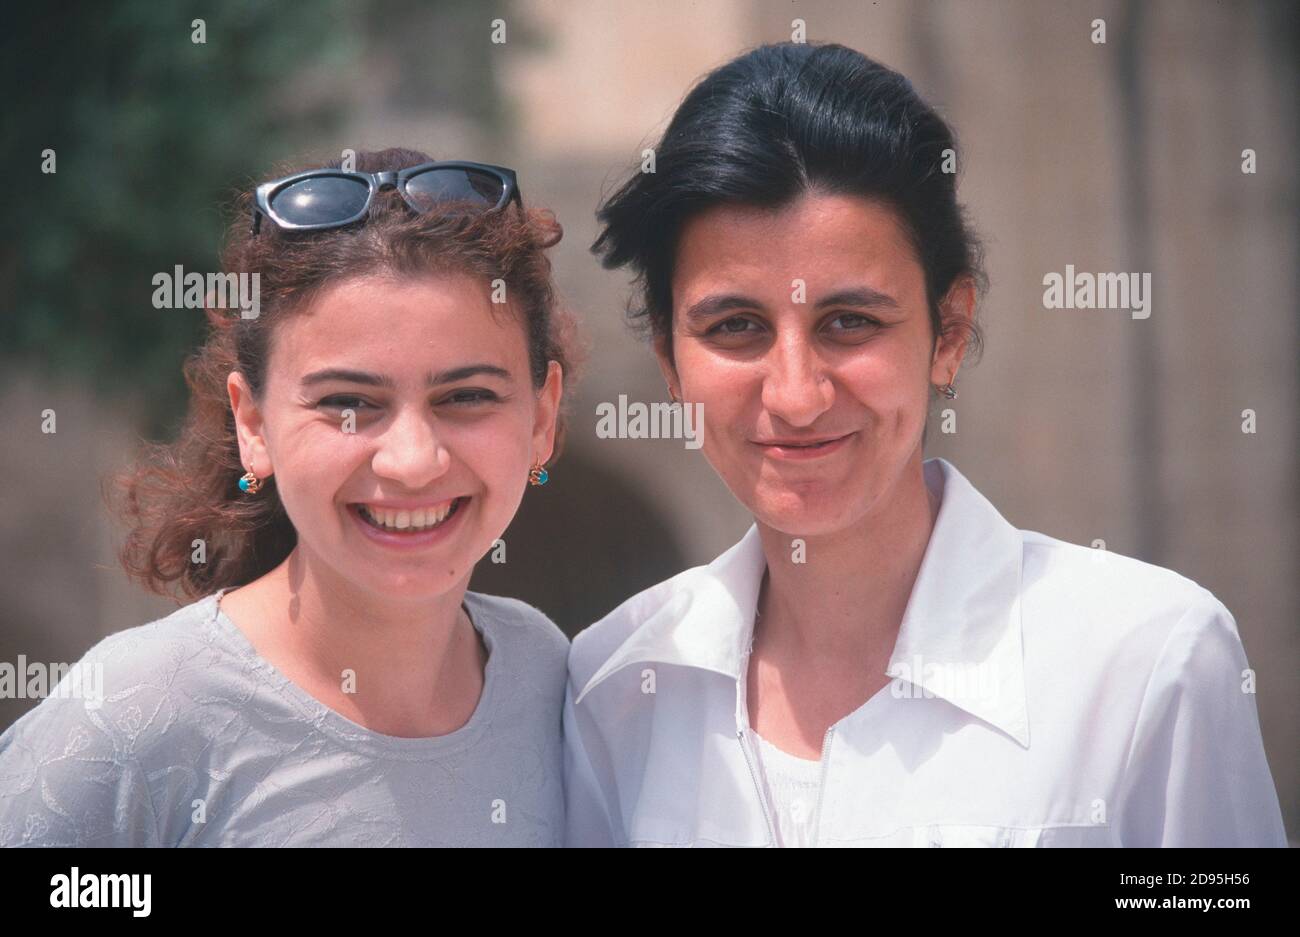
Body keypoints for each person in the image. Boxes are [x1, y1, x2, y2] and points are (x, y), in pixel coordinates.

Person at [563, 42, 1288, 847]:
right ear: (669, 357)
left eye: (851, 322)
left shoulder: (1147, 661)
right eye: (736, 326)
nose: (796, 394)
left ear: (949, 330)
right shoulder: (617, 686)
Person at [0, 148, 578, 846]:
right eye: (348, 403)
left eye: (466, 396)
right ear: (253, 425)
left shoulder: (548, 675)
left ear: (542, 417)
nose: (413, 460)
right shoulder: (133, 713)